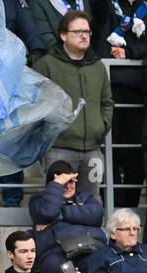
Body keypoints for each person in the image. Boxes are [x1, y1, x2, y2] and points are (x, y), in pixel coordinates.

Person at [32, 10, 114, 188]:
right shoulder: (46, 65)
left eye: (87, 32)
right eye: (78, 32)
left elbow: (107, 102)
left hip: (93, 150)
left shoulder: (98, 66)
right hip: (58, 149)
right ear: (63, 35)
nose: (84, 36)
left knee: (91, 205)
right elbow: (34, 104)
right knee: (56, 202)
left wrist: (101, 126)